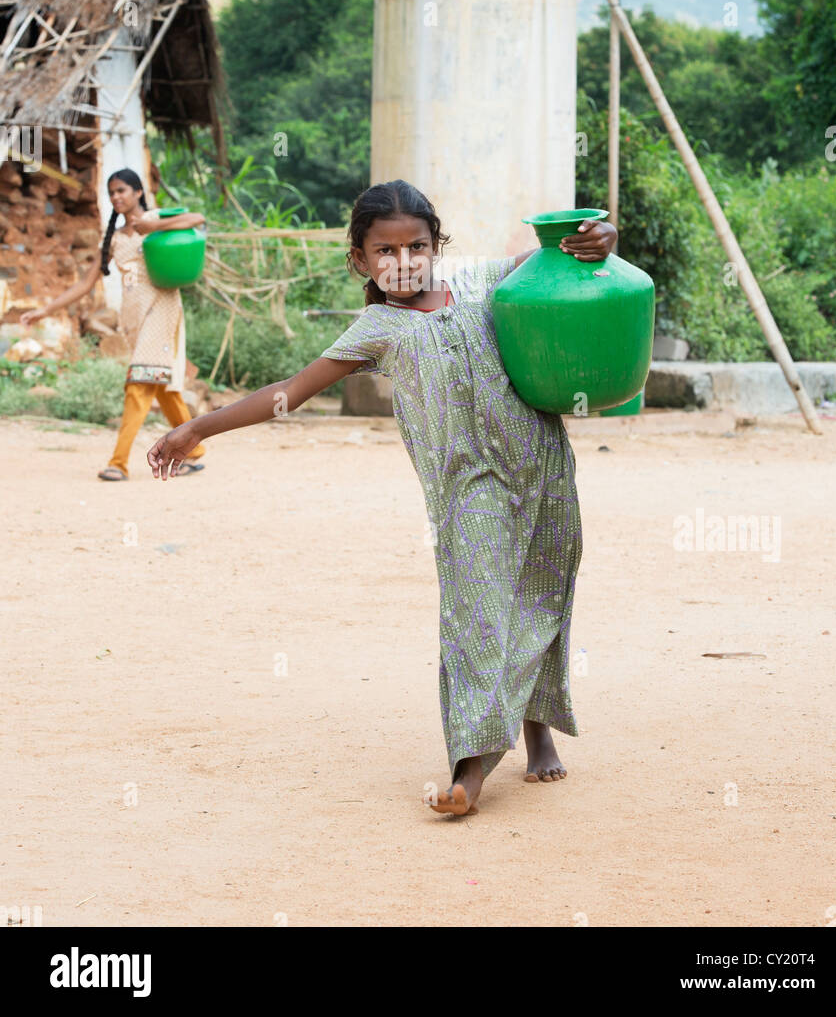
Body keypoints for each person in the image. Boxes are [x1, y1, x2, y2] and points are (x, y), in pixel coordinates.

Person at [145, 179, 617, 815]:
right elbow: (290, 391)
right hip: (467, 487)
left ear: (435, 245)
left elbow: (557, 258)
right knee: (477, 612)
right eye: (385, 252)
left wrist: (596, 244)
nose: (403, 263)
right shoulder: (373, 328)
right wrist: (198, 426)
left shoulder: (482, 284)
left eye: (416, 247)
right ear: (360, 260)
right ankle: (469, 768)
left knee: (540, 592)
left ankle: (537, 733)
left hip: (542, 466)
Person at [21, 167, 207, 482]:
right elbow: (84, 284)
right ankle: (195, 449)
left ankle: (118, 462)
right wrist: (45, 310)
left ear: (138, 192)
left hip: (161, 311)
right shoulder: (115, 239)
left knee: (138, 384)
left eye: (122, 190)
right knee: (160, 385)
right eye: (111, 192)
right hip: (133, 319)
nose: (116, 197)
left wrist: (154, 225)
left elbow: (197, 219)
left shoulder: (157, 220)